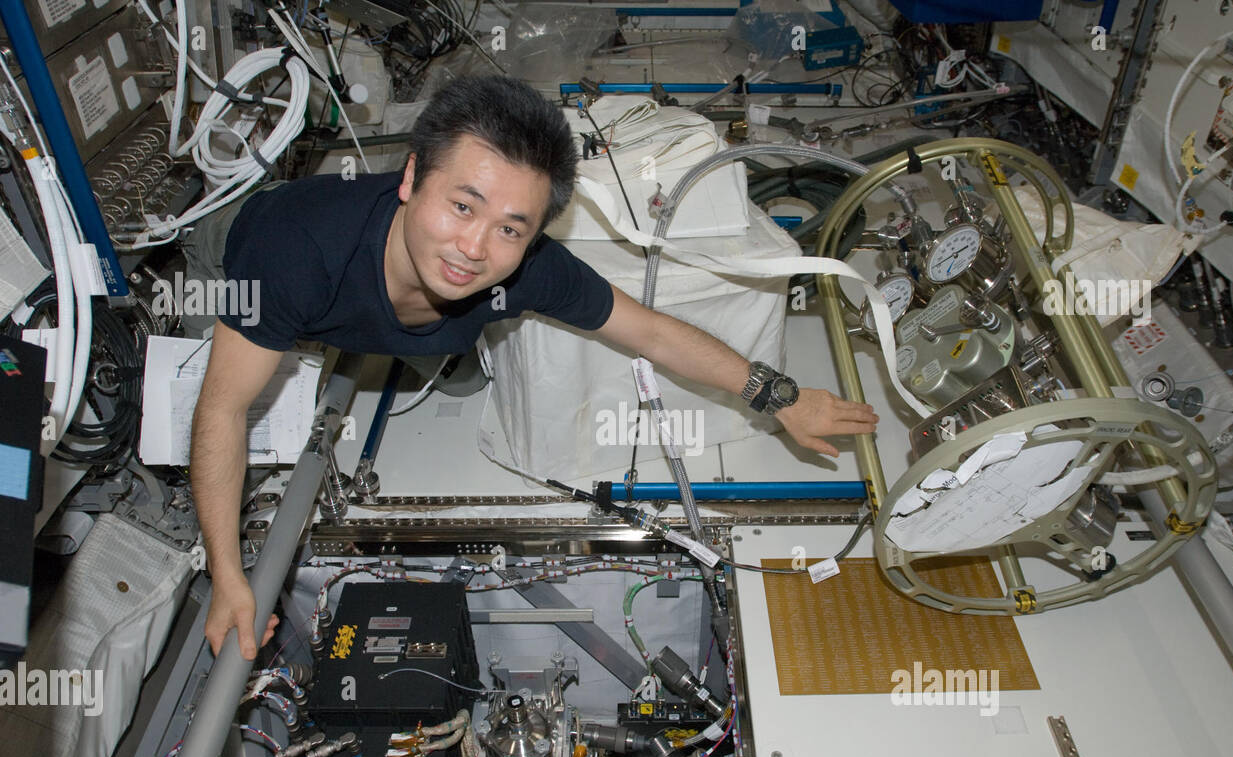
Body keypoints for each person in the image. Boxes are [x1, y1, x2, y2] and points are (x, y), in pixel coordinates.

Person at [188, 74, 879, 661]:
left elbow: (652, 332)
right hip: (248, 261)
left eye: (510, 228)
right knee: (207, 350)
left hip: (407, 329)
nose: (473, 247)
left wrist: (779, 396)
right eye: (462, 205)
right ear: (410, 178)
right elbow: (222, 408)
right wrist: (227, 573)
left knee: (451, 358)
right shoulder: (291, 254)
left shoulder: (522, 272)